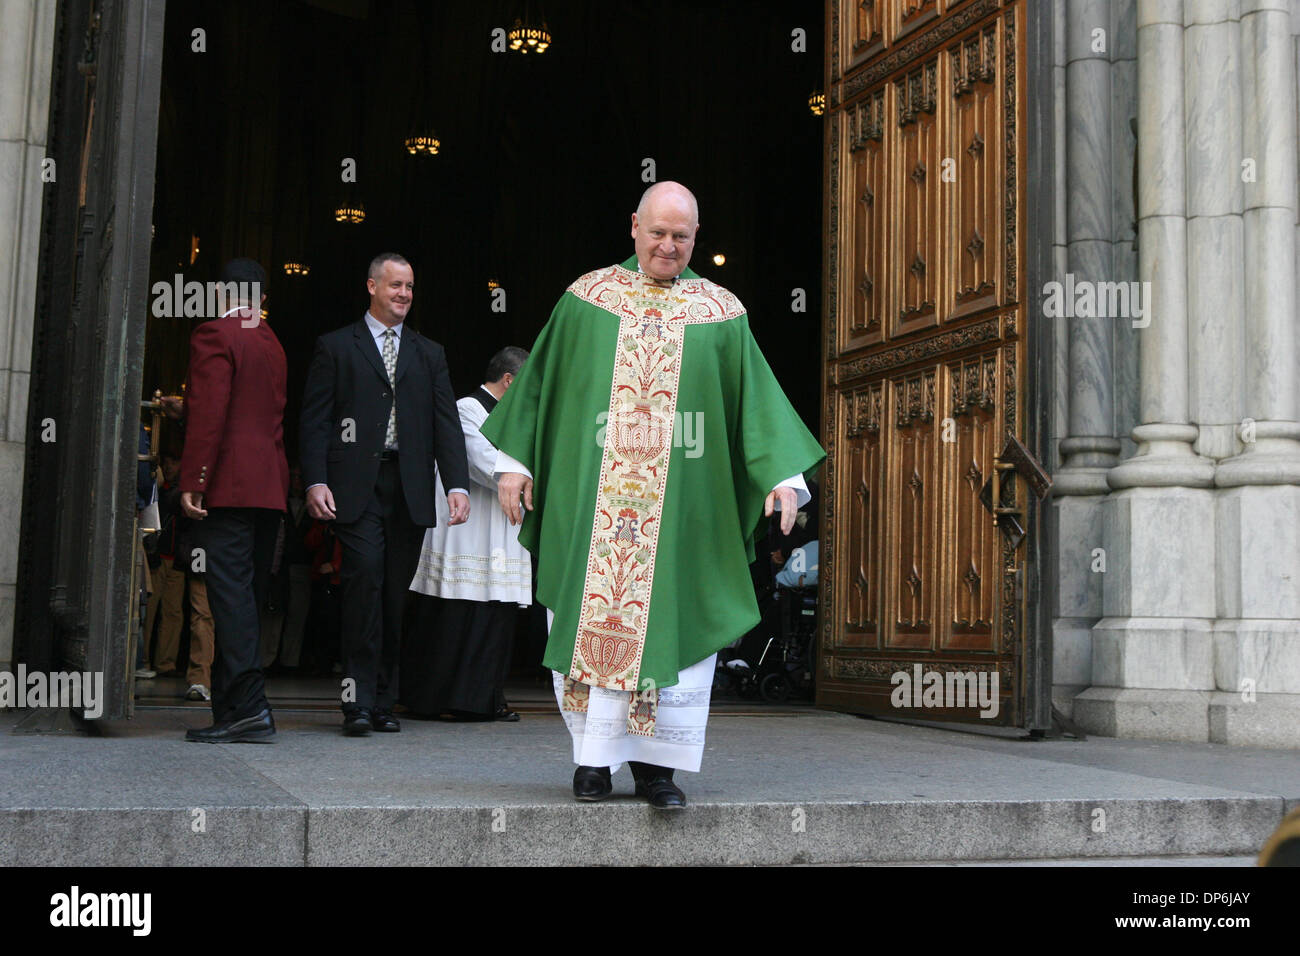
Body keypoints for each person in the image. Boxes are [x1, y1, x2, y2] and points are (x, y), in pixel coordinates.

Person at [483, 181, 825, 809]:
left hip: (684, 517)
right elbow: (539, 389)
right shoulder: (586, 301)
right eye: (658, 232)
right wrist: (513, 464)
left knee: (678, 627)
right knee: (591, 619)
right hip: (595, 508)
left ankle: (656, 769)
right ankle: (592, 761)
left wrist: (784, 478)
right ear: (633, 226)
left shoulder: (720, 312)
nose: (669, 246)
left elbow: (755, 404)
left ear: (697, 238)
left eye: (682, 236)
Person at [300, 253, 471, 736]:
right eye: (395, 285)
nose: (403, 294)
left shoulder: (429, 353)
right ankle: (356, 701)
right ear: (371, 286)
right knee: (364, 585)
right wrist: (315, 480)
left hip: (410, 488)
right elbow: (314, 420)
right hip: (356, 488)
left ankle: (382, 700)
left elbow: (446, 425)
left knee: (395, 596)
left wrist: (455, 484)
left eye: (410, 287)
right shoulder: (336, 347)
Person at [179, 257, 289, 742]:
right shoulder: (271, 341)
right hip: (268, 489)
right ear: (262, 298)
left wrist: (194, 479)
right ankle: (232, 708)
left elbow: (211, 413)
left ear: (221, 295)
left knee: (229, 600)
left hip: (228, 488)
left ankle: (248, 708)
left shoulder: (215, 334)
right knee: (246, 596)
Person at [404, 346, 532, 721]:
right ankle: (443, 699)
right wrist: (532, 476)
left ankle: (485, 698)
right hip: (468, 530)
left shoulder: (518, 416)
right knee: (458, 616)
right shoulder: (466, 410)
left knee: (495, 616)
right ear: (509, 380)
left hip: (502, 532)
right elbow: (483, 464)